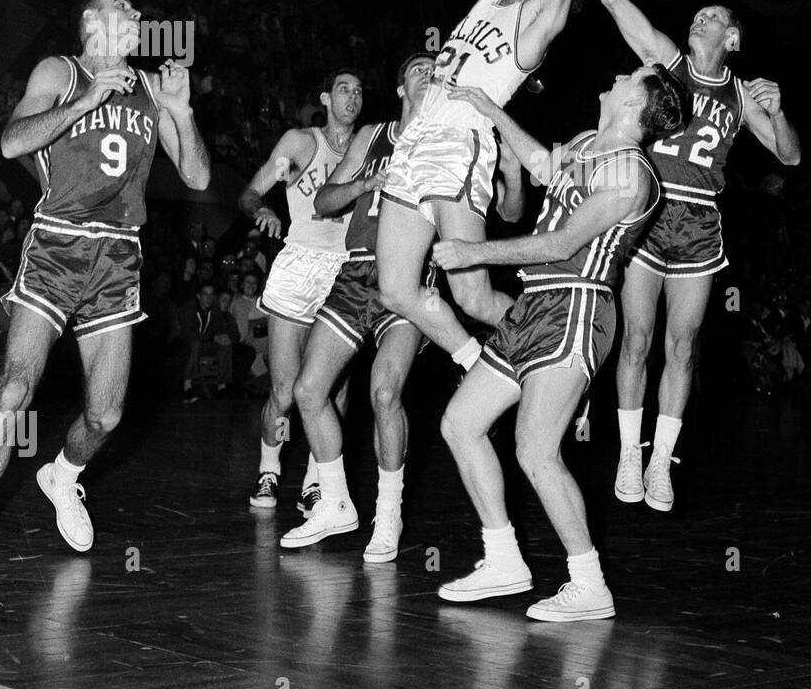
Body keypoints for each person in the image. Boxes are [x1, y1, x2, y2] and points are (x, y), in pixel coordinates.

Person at [0, 0, 210, 583]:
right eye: (122, 4)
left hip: (120, 254)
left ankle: (63, 474)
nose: (137, 14)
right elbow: (11, 142)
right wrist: (85, 101)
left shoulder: (153, 88)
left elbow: (199, 175)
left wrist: (182, 110)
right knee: (16, 384)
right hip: (57, 241)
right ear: (90, 22)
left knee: (106, 416)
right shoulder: (61, 70)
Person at [431, 64, 690, 622]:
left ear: (635, 105)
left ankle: (590, 583)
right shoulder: (587, 142)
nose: (619, 72)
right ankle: (503, 559)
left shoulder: (628, 174)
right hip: (532, 306)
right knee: (460, 423)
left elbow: (563, 242)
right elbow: (544, 164)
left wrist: (474, 253)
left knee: (535, 449)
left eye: (633, 75)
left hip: (576, 305)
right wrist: (491, 110)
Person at [375, 0, 620, 379]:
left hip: (458, 145)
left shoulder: (536, 30)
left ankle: (556, 357)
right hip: (413, 142)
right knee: (394, 290)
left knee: (476, 298)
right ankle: (471, 358)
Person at [589, 0, 801, 511]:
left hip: (702, 223)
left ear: (733, 37)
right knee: (637, 338)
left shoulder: (744, 95)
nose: (698, 20)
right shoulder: (668, 63)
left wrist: (779, 111)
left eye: (712, 16)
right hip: (650, 210)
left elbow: (789, 156)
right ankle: (629, 452)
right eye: (697, 15)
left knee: (682, 346)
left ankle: (661, 460)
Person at [280, 53, 525, 558]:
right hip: (353, 274)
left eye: (437, 66)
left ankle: (387, 516)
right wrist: (366, 183)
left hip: (407, 280)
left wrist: (514, 176)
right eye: (416, 67)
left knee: (385, 392)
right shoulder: (374, 137)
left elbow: (508, 210)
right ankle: (336, 502)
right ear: (398, 87)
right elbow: (322, 201)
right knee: (307, 390)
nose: (429, 71)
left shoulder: (454, 136)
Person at [239, 70, 361, 510]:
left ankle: (317, 479)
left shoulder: (369, 147)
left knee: (334, 387)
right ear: (326, 97)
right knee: (285, 391)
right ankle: (269, 472)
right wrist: (263, 211)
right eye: (344, 89)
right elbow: (250, 192)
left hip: (345, 271)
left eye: (360, 90)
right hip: (300, 266)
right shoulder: (300, 143)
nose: (353, 96)